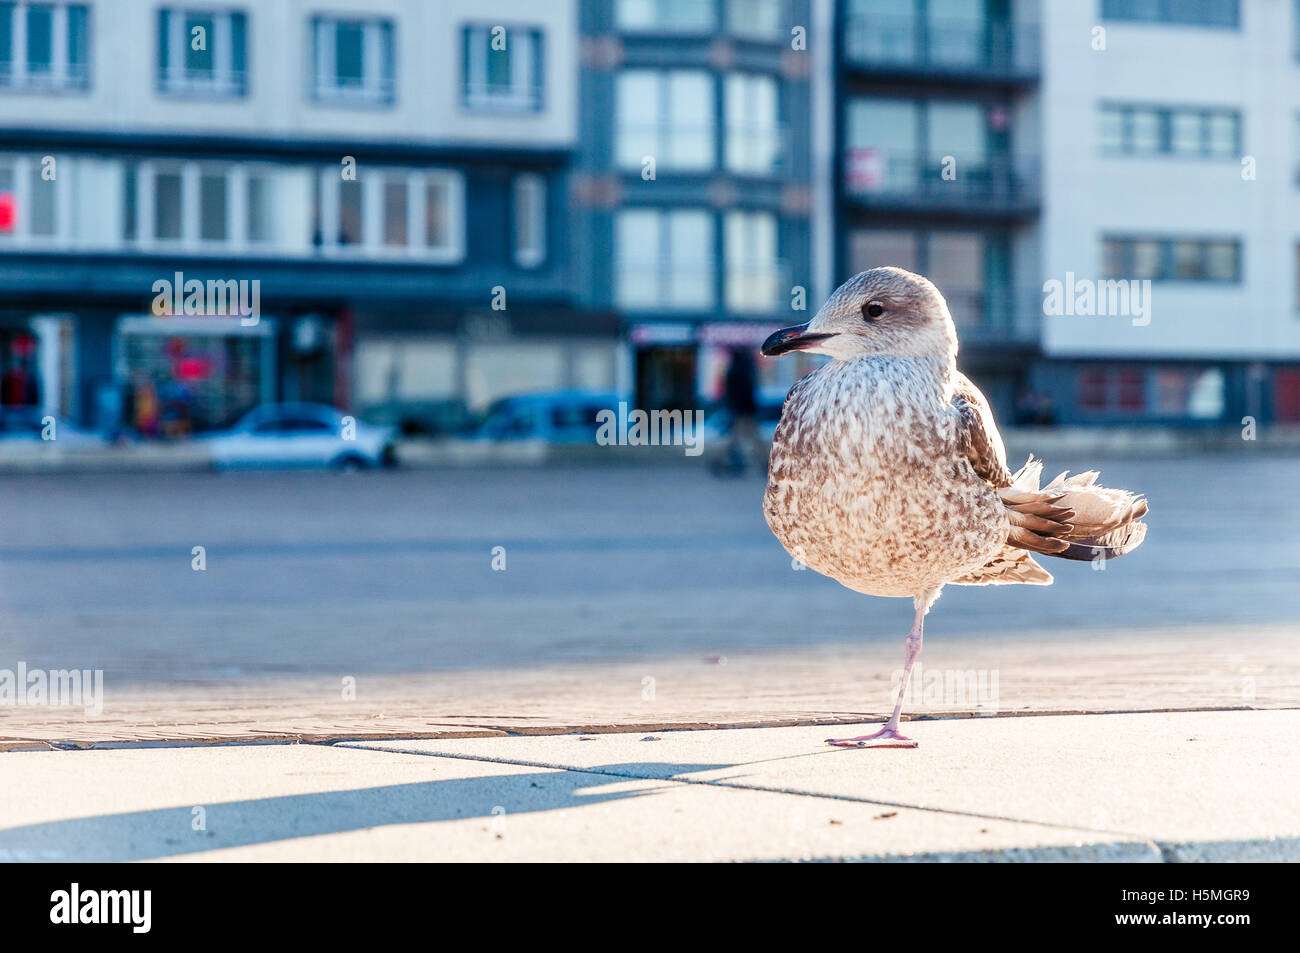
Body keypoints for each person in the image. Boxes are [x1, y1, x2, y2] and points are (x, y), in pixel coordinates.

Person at [714, 347, 762, 476]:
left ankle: (728, 462)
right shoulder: (746, 370)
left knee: (736, 438)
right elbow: (748, 392)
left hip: (739, 410)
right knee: (751, 437)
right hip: (746, 409)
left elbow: (732, 393)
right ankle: (764, 462)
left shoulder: (734, 371)